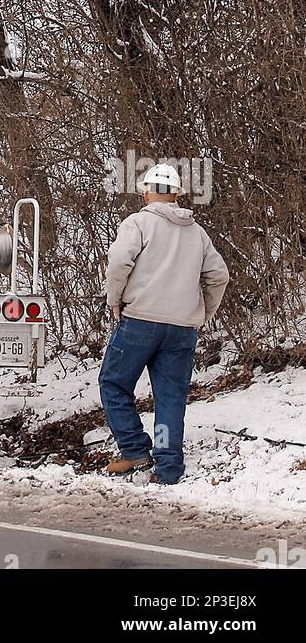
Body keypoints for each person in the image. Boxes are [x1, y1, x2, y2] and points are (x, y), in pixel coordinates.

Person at [99, 162, 229, 485]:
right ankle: (168, 467)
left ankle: (134, 449)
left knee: (113, 383)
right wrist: (201, 312)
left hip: (140, 321)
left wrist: (114, 299)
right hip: (182, 329)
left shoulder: (138, 224)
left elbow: (118, 263)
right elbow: (219, 276)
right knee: (170, 395)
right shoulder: (197, 233)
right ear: (176, 195)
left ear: (147, 193)